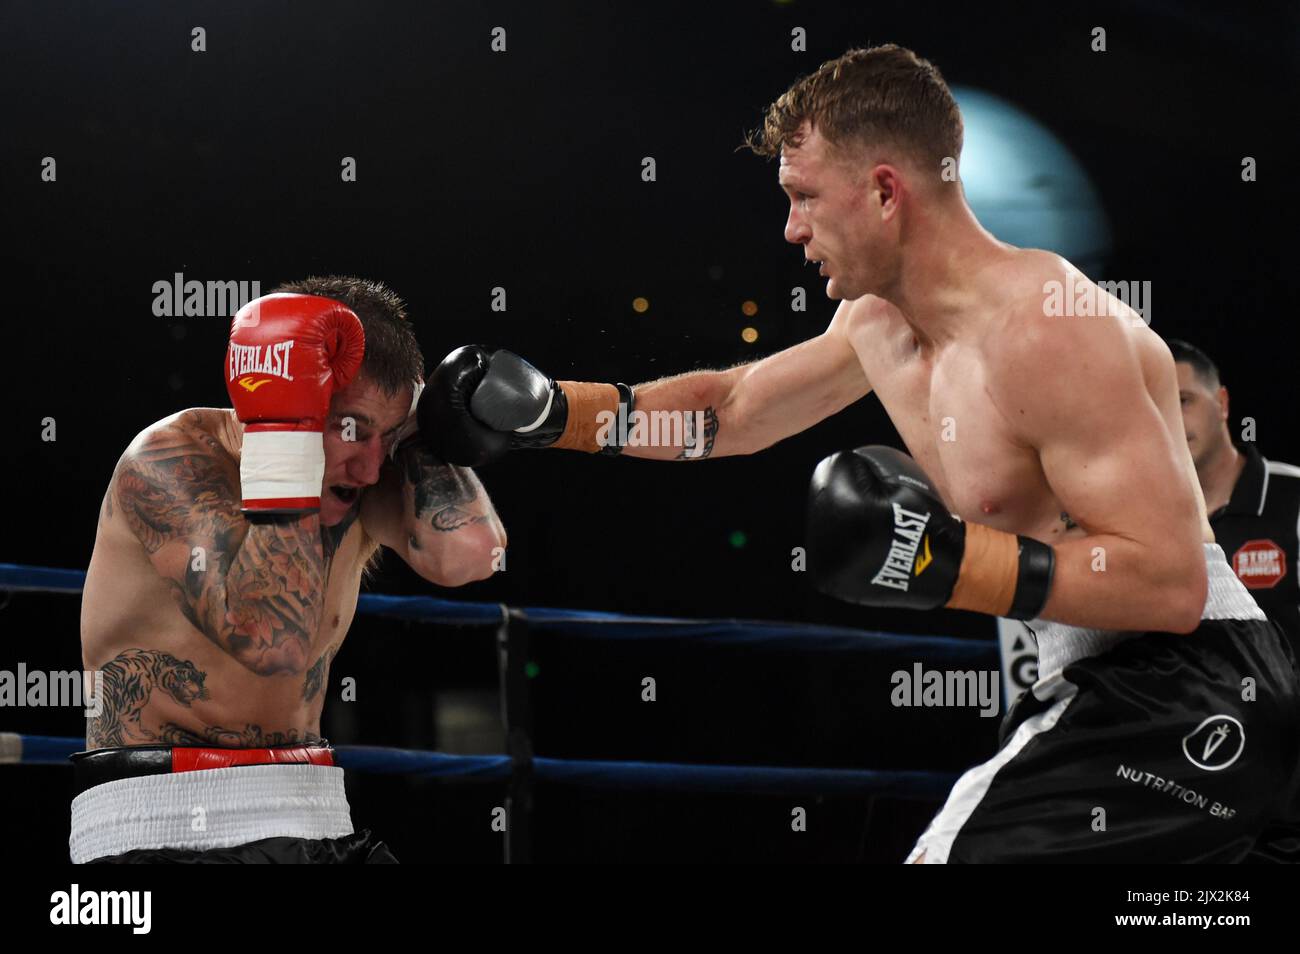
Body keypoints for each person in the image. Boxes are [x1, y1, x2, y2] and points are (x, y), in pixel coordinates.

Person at [422, 45, 1300, 862]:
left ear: (884, 191)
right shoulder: (877, 323)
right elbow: (730, 412)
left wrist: (951, 564)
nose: (791, 229)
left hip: (1185, 686)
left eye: (804, 196)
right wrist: (552, 414)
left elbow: (1170, 587)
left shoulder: (1047, 328)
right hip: (1104, 689)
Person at [75, 276, 506, 863]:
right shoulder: (171, 462)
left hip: (314, 807)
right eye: (351, 429)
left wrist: (426, 426)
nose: (370, 468)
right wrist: (288, 433)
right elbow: (268, 640)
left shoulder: (360, 476)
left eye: (387, 436)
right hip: (163, 820)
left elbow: (471, 554)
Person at [1169, 337, 1300, 863]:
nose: (1170, 419)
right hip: (1191, 783)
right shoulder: (1142, 522)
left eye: (1183, 400)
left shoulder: (1293, 500)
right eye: (1156, 405)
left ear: (1221, 403)